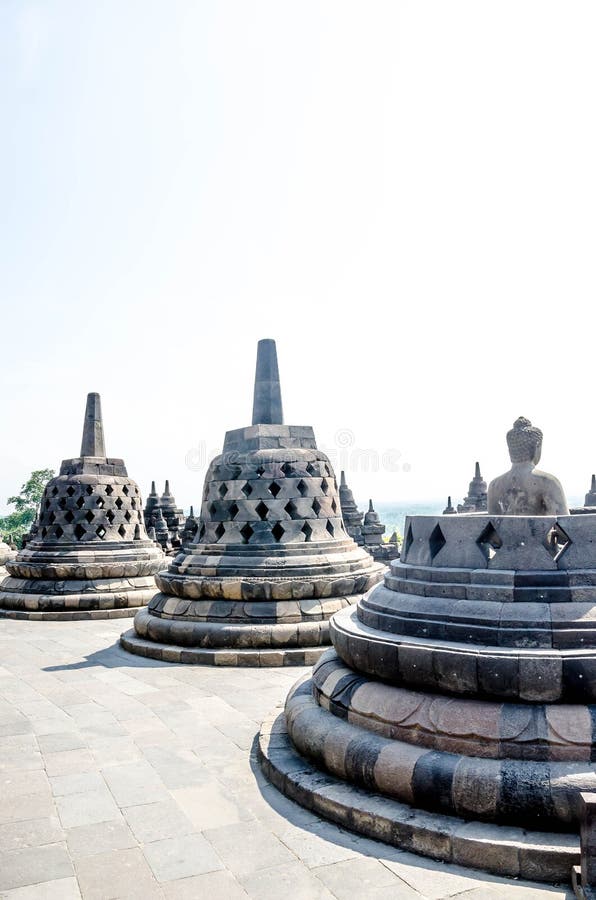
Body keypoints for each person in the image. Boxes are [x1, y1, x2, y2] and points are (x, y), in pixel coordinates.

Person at [487, 417, 569, 515]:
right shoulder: (548, 482)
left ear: (510, 450)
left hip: (505, 531)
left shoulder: (494, 486)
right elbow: (565, 525)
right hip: (538, 531)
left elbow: (491, 526)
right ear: (537, 447)